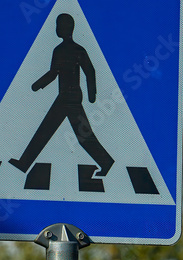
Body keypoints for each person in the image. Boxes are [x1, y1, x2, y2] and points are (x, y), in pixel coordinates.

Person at [9, 13, 114, 177]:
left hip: (69, 99)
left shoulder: (70, 50)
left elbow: (89, 71)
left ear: (65, 28)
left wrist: (91, 96)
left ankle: (106, 162)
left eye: (59, 25)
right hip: (66, 97)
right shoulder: (64, 50)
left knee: (79, 135)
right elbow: (55, 73)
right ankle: (24, 163)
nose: (57, 29)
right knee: (50, 131)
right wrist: (38, 85)